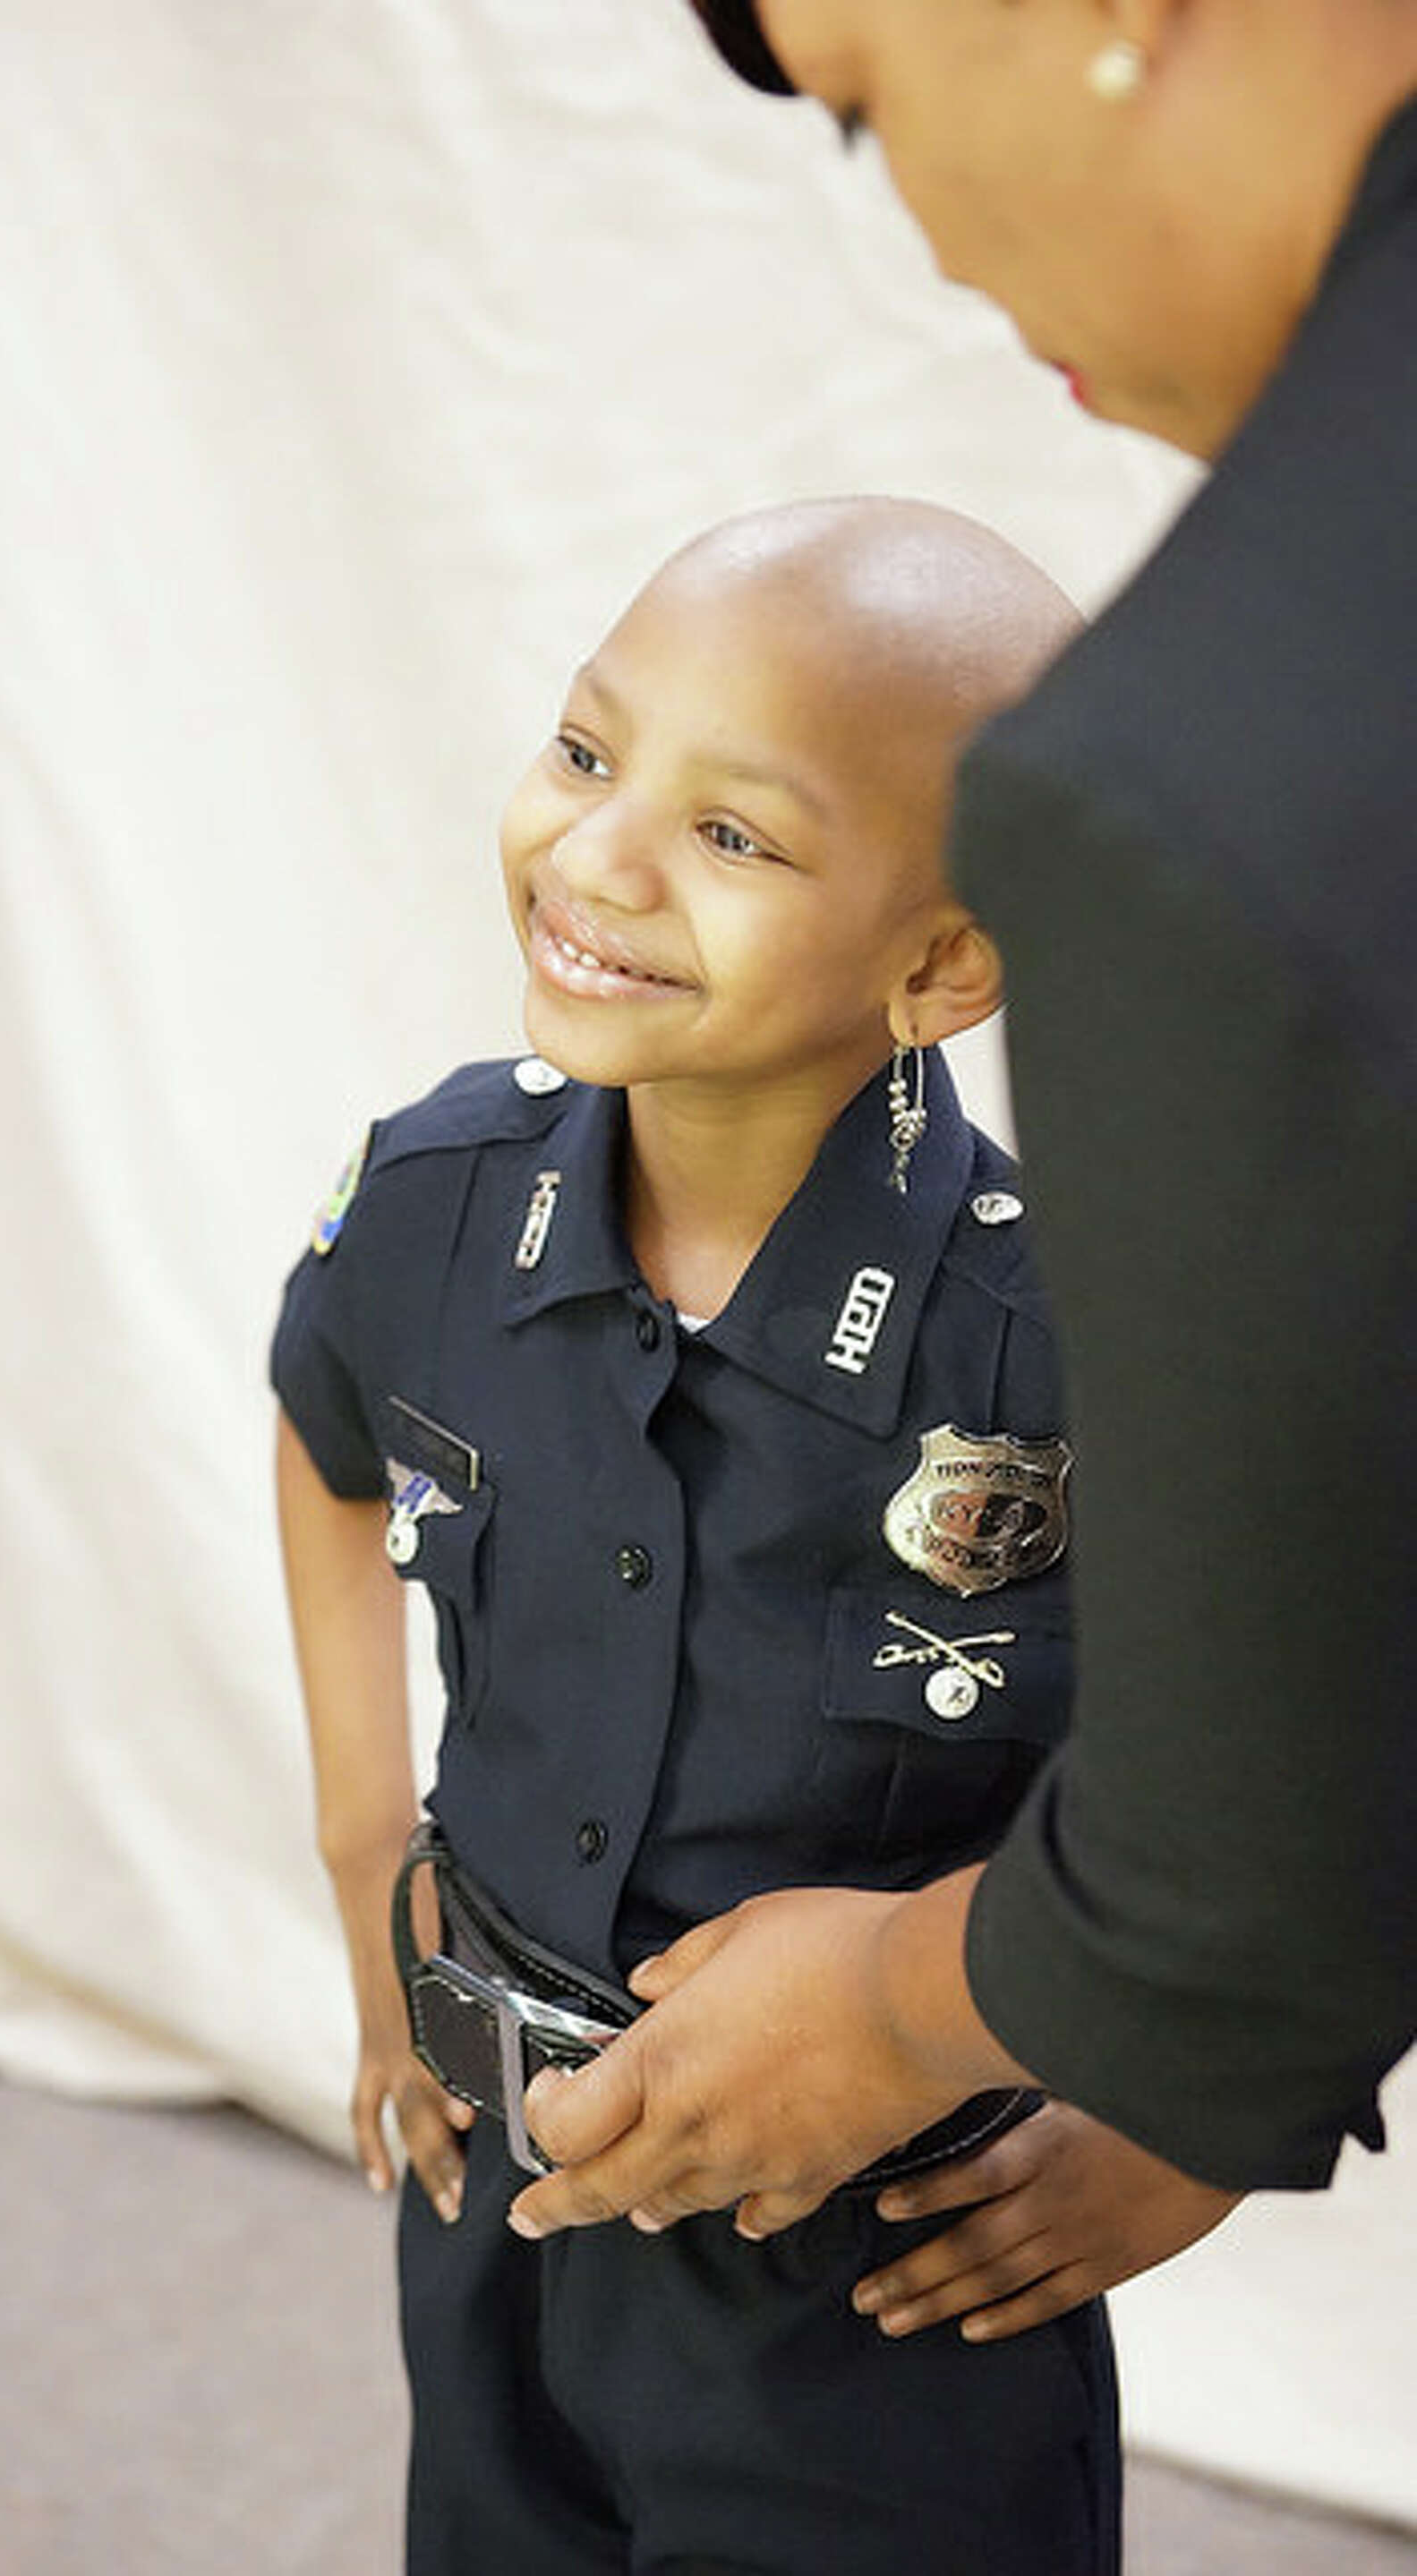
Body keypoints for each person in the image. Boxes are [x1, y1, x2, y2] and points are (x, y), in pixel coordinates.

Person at [508, 0, 1417, 2259]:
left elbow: (1248, 1787)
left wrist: (970, 2000)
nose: (914, 233)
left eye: (856, 109)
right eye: (589, 753)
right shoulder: (449, 1193)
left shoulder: (1219, 789)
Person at [273, 496, 1233, 2575]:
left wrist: (1193, 2122)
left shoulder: (1086, 1339)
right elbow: (323, 1434)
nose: (597, 857)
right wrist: (370, 1860)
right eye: (589, 751)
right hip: (495, 2176)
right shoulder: (438, 1194)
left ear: (944, 959)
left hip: (872, 2269)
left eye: (738, 835)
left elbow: (1294, 1747)